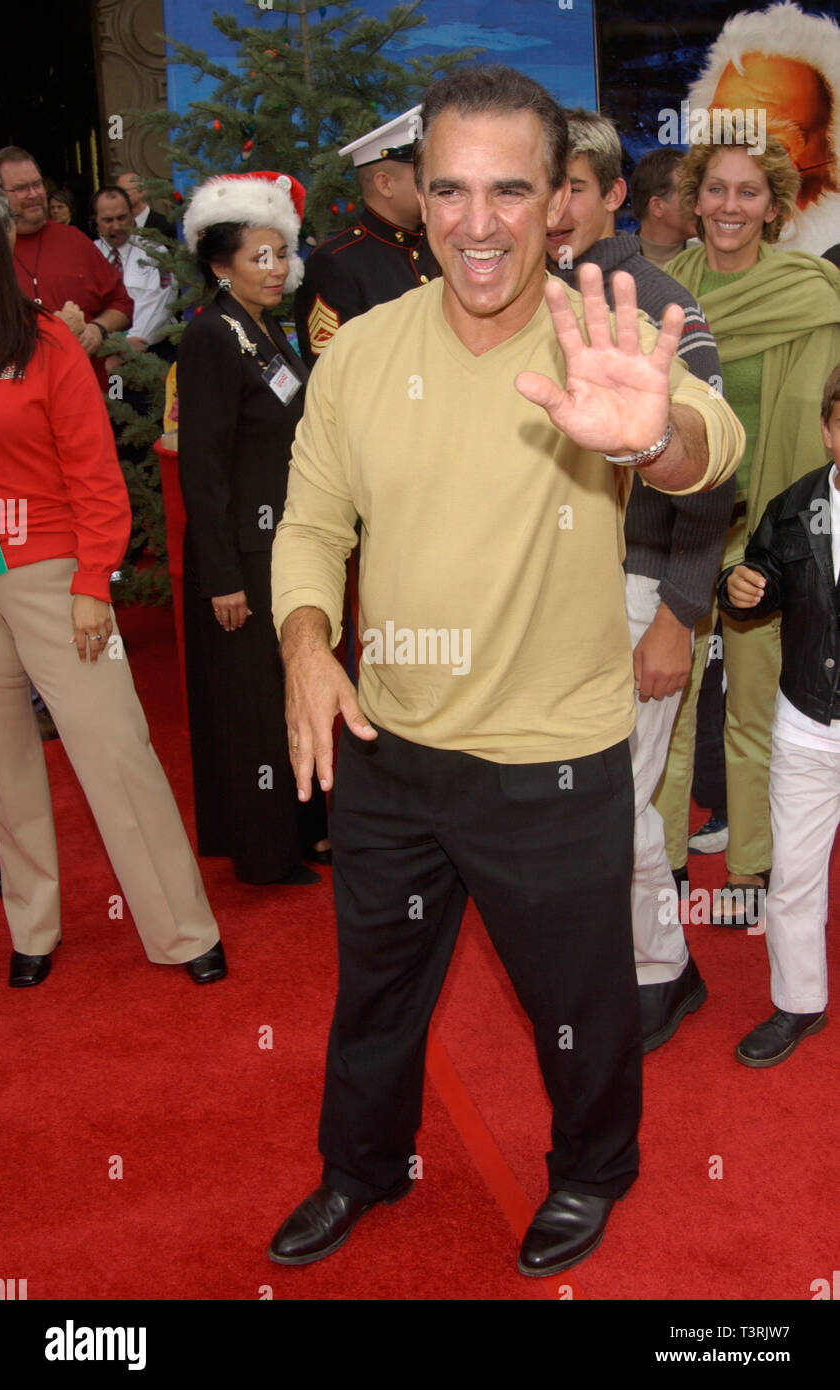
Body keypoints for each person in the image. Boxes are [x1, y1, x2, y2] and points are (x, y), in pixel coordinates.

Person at [267, 65, 742, 1278]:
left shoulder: (605, 340)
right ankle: (361, 1167)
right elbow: (314, 522)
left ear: (558, 204)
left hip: (552, 764)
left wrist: (651, 437)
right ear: (416, 196)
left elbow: (707, 448)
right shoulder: (361, 352)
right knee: (375, 995)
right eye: (450, 189)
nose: (477, 222)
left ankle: (589, 1171)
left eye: (510, 191)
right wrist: (308, 642)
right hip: (389, 751)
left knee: (572, 1010)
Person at [0, 187, 225, 988]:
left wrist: (94, 580)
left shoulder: (47, 344)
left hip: (53, 572)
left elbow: (95, 473)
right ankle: (32, 925)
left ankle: (181, 926)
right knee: (3, 767)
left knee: (114, 746)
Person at [547, 109, 735, 1052]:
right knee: (573, 798)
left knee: (612, 799)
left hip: (640, 589)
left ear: (614, 194)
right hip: (547, 598)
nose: (552, 206)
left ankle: (660, 971)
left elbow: (709, 474)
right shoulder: (514, 298)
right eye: (541, 184)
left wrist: (677, 612)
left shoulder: (655, 299)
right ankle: (626, 963)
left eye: (575, 186)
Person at [653, 134, 840, 926]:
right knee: (663, 699)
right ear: (693, 201)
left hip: (769, 527)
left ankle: (752, 868)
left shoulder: (813, 293)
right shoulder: (659, 293)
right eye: (716, 191)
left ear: (773, 209)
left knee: (757, 704)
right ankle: (656, 864)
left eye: (748, 194)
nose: (730, 207)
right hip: (680, 524)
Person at [176, 171, 328, 886]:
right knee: (250, 708)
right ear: (219, 266)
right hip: (238, 557)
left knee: (282, 691)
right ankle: (265, 852)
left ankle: (303, 829)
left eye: (280, 255)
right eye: (257, 259)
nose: (276, 270)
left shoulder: (264, 326)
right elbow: (201, 468)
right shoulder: (211, 336)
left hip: (281, 545)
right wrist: (223, 578)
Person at [717, 362, 840, 1067]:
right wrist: (736, 589)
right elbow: (756, 586)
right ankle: (797, 1003)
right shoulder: (793, 509)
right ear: (827, 430)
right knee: (793, 875)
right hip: (805, 723)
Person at [688, 2, 840, 254]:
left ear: (832, 159)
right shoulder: (685, 269)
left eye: (773, 145)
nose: (735, 164)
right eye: (720, 136)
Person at [293, 106, 439, 366]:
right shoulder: (335, 264)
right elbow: (331, 370)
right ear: (385, 184)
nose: (436, 182)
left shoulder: (438, 244)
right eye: (422, 174)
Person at [0, 146, 132, 386]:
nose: (33, 194)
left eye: (37, 184)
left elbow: (122, 304)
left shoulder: (75, 240)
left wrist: (98, 328)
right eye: (20, 188)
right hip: (16, 395)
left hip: (83, 388)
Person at [92, 185, 176, 355]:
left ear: (132, 217)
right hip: (102, 354)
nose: (116, 226)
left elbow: (159, 306)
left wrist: (126, 346)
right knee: (116, 383)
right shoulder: (88, 255)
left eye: (122, 218)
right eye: (108, 220)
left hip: (150, 351)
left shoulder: (155, 252)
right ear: (96, 223)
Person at [629, 149, 697, 270]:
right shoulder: (613, 264)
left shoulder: (709, 262)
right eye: (690, 194)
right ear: (657, 206)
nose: (700, 206)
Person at [116, 172, 174, 239]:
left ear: (141, 191)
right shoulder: (115, 227)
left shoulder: (166, 226)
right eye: (116, 192)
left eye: (123, 191)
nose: (119, 197)